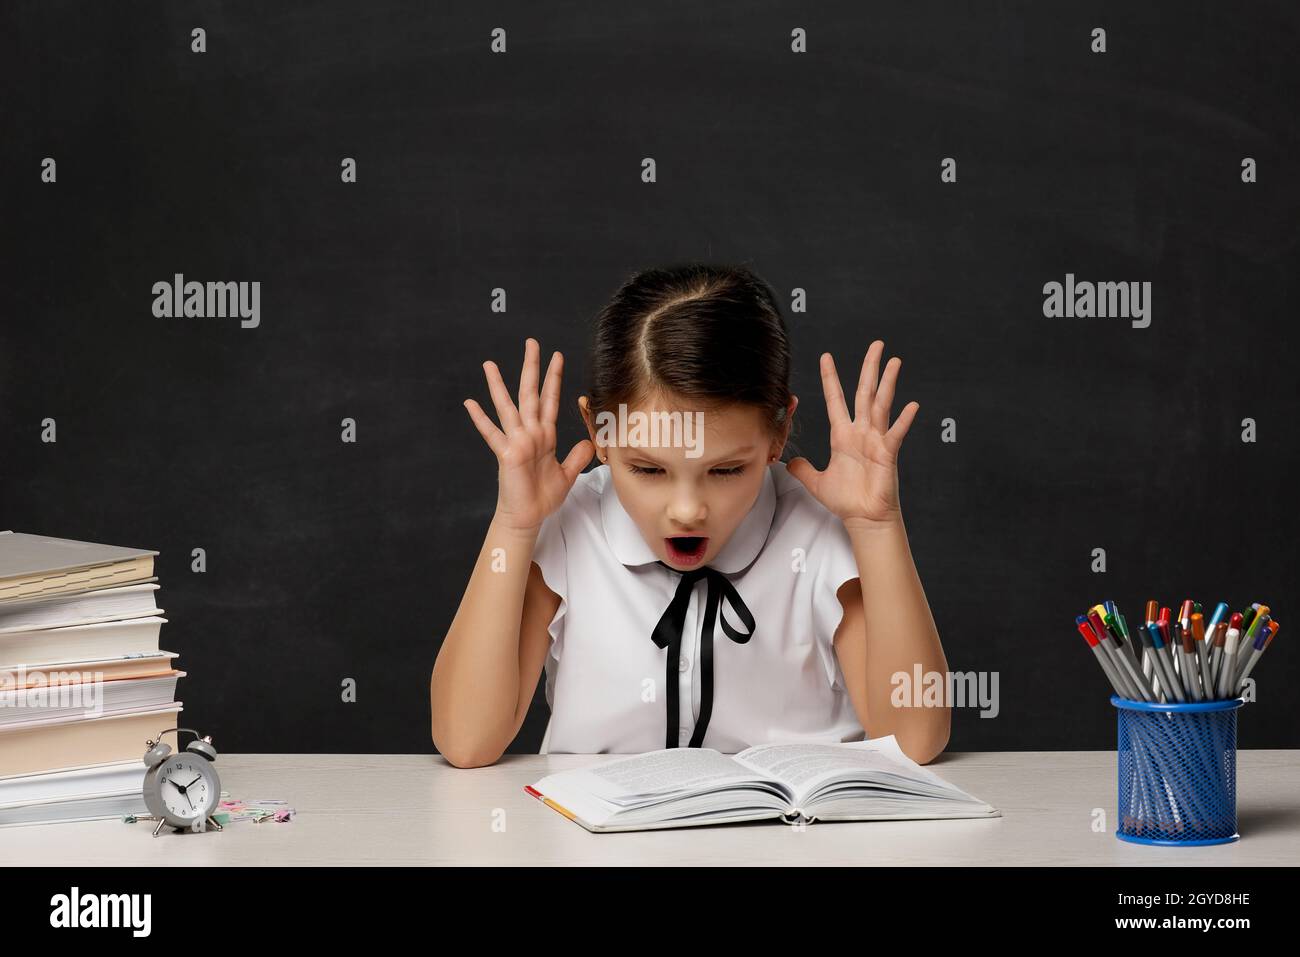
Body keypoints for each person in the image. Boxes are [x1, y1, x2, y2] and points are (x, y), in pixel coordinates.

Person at [431, 263, 949, 767]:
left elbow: (914, 739)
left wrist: (876, 527)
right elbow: (466, 740)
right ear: (599, 432)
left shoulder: (812, 532)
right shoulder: (572, 525)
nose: (686, 511)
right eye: (648, 470)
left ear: (778, 435)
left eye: (725, 471)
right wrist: (514, 525)